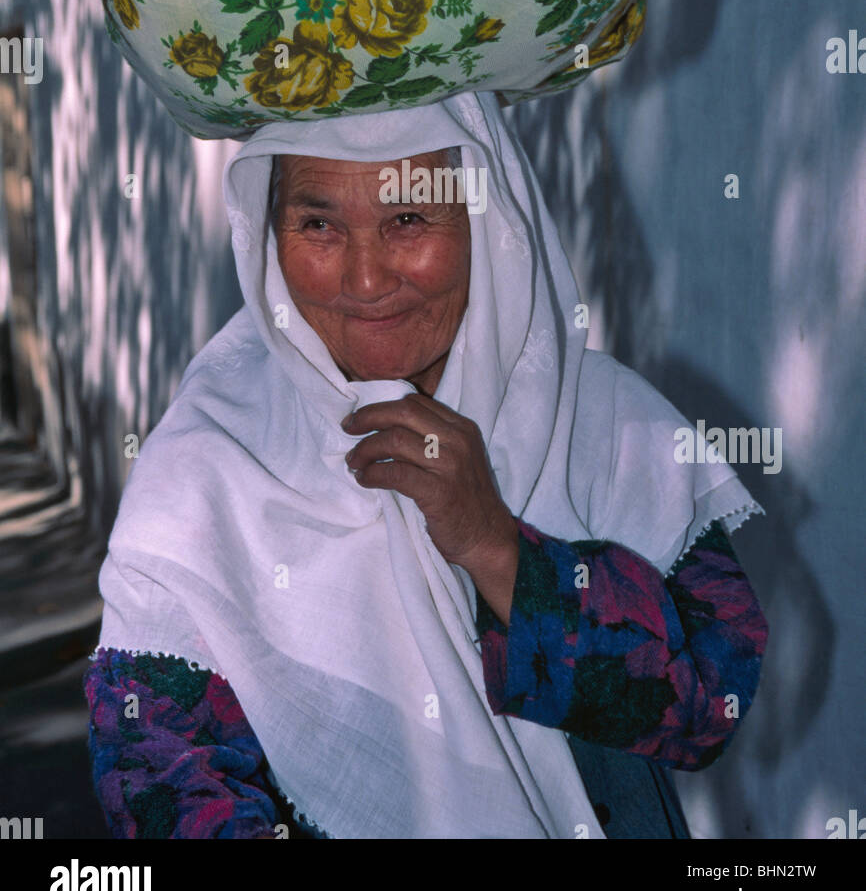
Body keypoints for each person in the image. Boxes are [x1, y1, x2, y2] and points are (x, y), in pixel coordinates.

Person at [84, 92, 769, 839]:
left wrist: (497, 548)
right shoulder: (208, 462)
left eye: (408, 219)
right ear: (267, 236)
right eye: (319, 224)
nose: (368, 279)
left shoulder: (600, 423)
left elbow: (709, 708)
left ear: (488, 217)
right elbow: (154, 768)